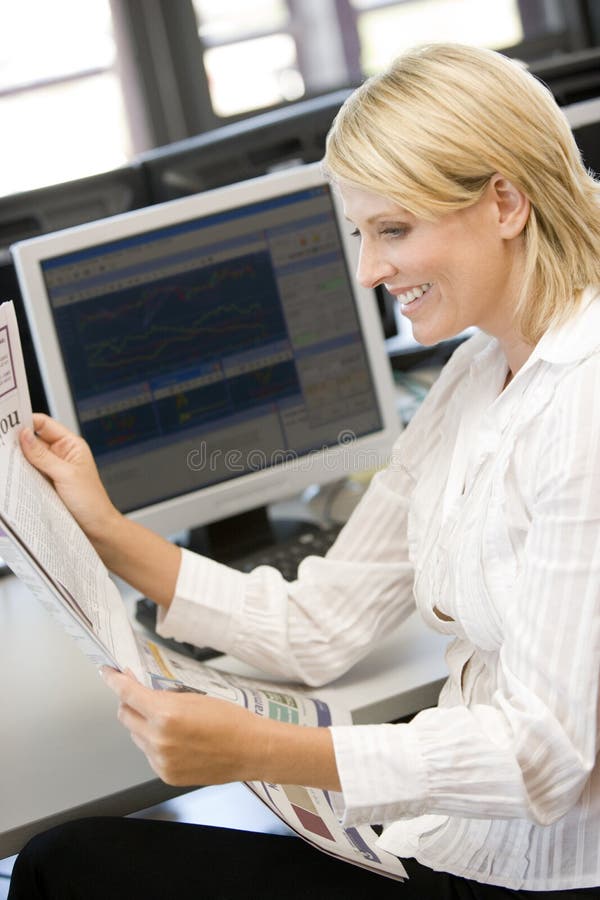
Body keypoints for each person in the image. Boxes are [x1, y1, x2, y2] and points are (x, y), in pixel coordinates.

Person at [8, 41, 600, 899]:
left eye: (393, 229)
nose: (368, 270)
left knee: (70, 871)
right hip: (462, 845)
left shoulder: (584, 403)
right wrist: (106, 532)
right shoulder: (478, 375)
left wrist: (261, 748)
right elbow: (321, 623)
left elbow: (541, 758)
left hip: (546, 880)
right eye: (360, 234)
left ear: (504, 201)